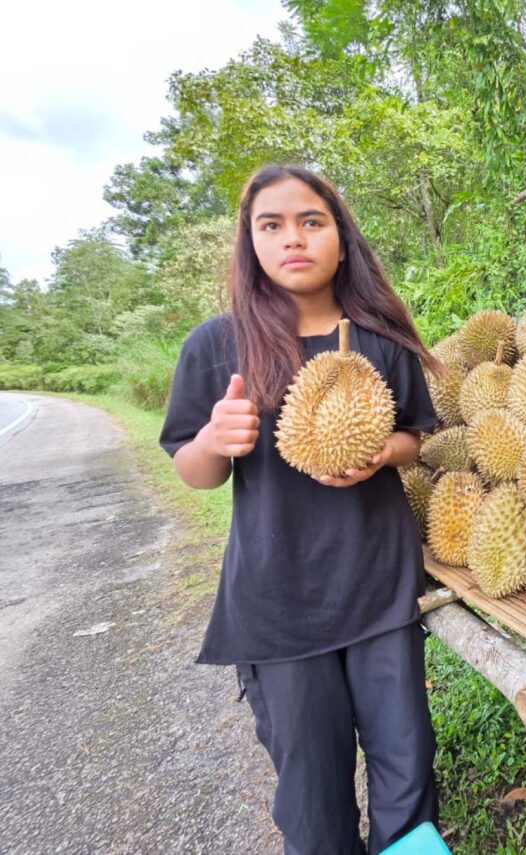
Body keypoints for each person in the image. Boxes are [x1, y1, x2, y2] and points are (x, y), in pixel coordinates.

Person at [159, 164, 442, 855]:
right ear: (250, 243)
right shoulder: (216, 345)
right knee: (314, 803)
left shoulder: (380, 338)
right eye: (272, 224)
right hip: (278, 603)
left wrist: (384, 452)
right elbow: (193, 469)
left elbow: (418, 435)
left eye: (312, 221)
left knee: (408, 784)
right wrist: (212, 439)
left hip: (379, 590)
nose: (294, 238)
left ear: (341, 238)